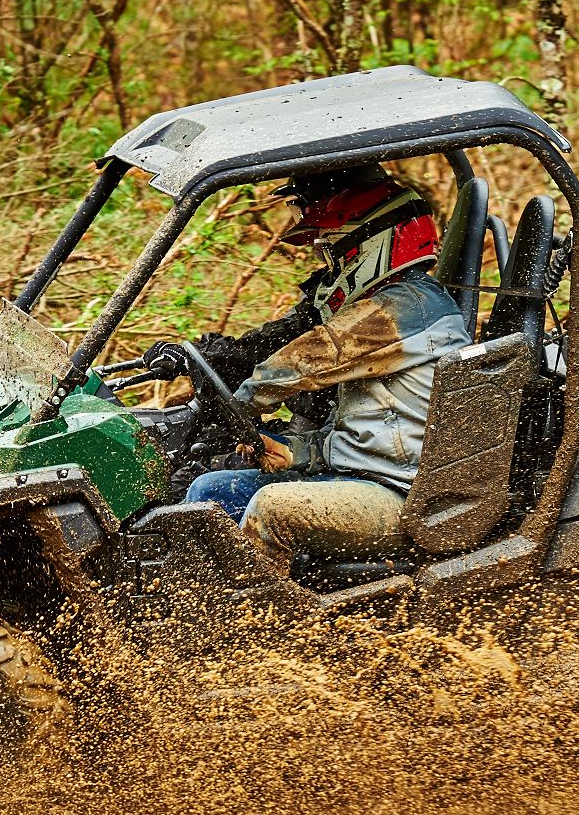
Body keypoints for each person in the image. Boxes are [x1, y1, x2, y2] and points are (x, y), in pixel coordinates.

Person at [180, 164, 472, 567]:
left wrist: (240, 401)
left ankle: (253, 622)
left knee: (272, 507)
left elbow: (300, 363)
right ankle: (187, 600)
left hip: (405, 499)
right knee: (211, 491)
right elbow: (375, 436)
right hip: (369, 480)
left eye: (328, 249)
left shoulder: (405, 307)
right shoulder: (396, 308)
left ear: (366, 245)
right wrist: (299, 453)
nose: (325, 265)